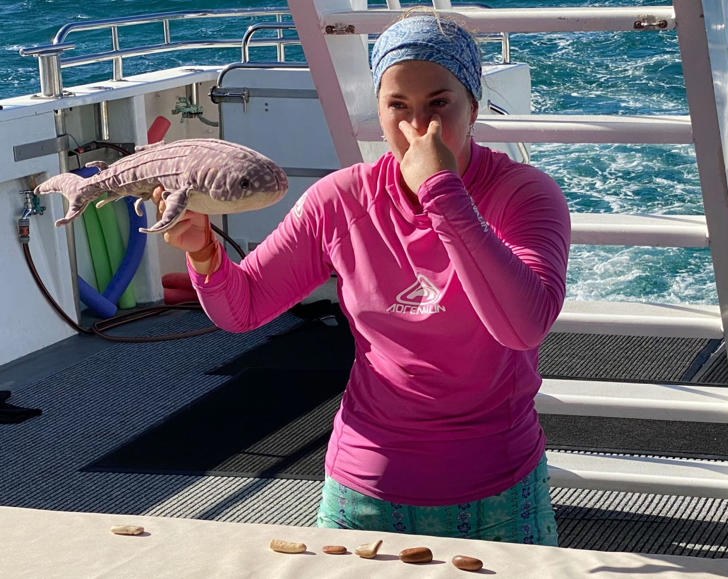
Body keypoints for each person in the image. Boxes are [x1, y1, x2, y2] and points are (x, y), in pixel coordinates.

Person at [154, 13, 570, 545]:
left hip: (498, 486)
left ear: (473, 105)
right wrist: (205, 251)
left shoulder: (526, 195)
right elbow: (246, 307)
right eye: (397, 106)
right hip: (365, 486)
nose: (417, 127)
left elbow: (524, 326)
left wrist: (443, 193)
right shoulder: (341, 199)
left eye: (439, 104)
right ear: (377, 110)